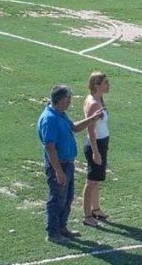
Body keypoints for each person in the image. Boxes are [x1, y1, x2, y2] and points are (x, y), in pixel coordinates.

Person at [37, 84, 104, 245]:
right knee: (56, 199)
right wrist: (58, 171)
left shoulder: (60, 114)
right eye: (69, 99)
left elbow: (73, 127)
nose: (70, 102)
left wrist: (92, 118)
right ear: (62, 100)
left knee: (66, 198)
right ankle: (53, 232)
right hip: (59, 165)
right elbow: (49, 147)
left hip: (67, 163)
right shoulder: (50, 119)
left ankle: (62, 227)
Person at [81, 72, 111, 227]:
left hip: (101, 142)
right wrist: (95, 151)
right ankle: (87, 215)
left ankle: (96, 209)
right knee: (91, 181)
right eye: (105, 82)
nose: (108, 85)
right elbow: (90, 130)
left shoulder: (97, 99)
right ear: (96, 85)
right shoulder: (94, 104)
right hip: (96, 144)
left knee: (96, 180)